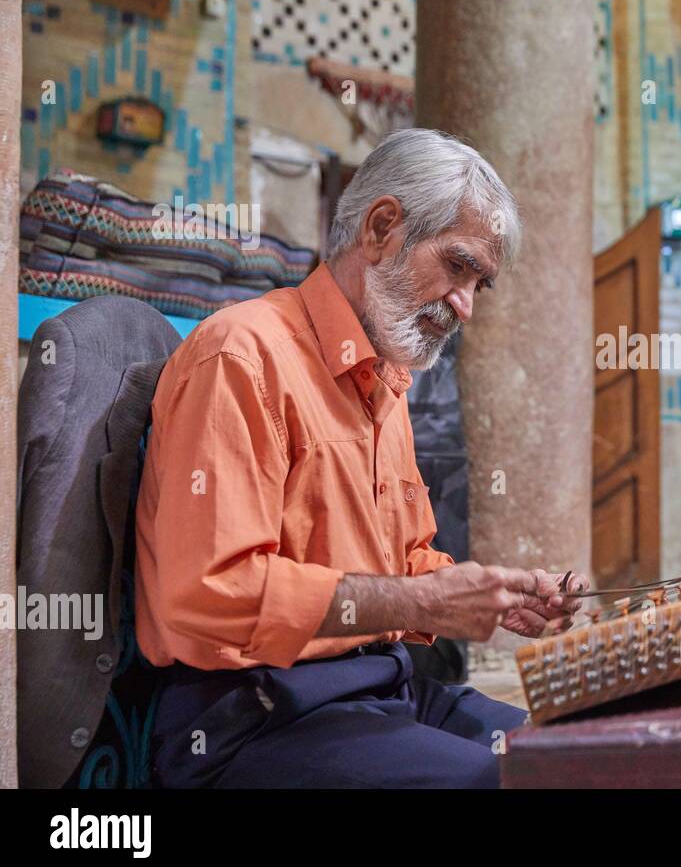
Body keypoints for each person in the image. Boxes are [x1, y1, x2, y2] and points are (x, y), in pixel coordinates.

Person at [135, 128, 586, 788]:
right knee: (503, 783)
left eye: (478, 285)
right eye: (457, 267)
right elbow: (206, 594)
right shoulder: (242, 355)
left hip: (381, 692)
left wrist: (489, 597)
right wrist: (423, 602)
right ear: (381, 228)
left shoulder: (386, 379)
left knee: (588, 758)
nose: (464, 305)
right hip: (254, 719)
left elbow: (400, 565)